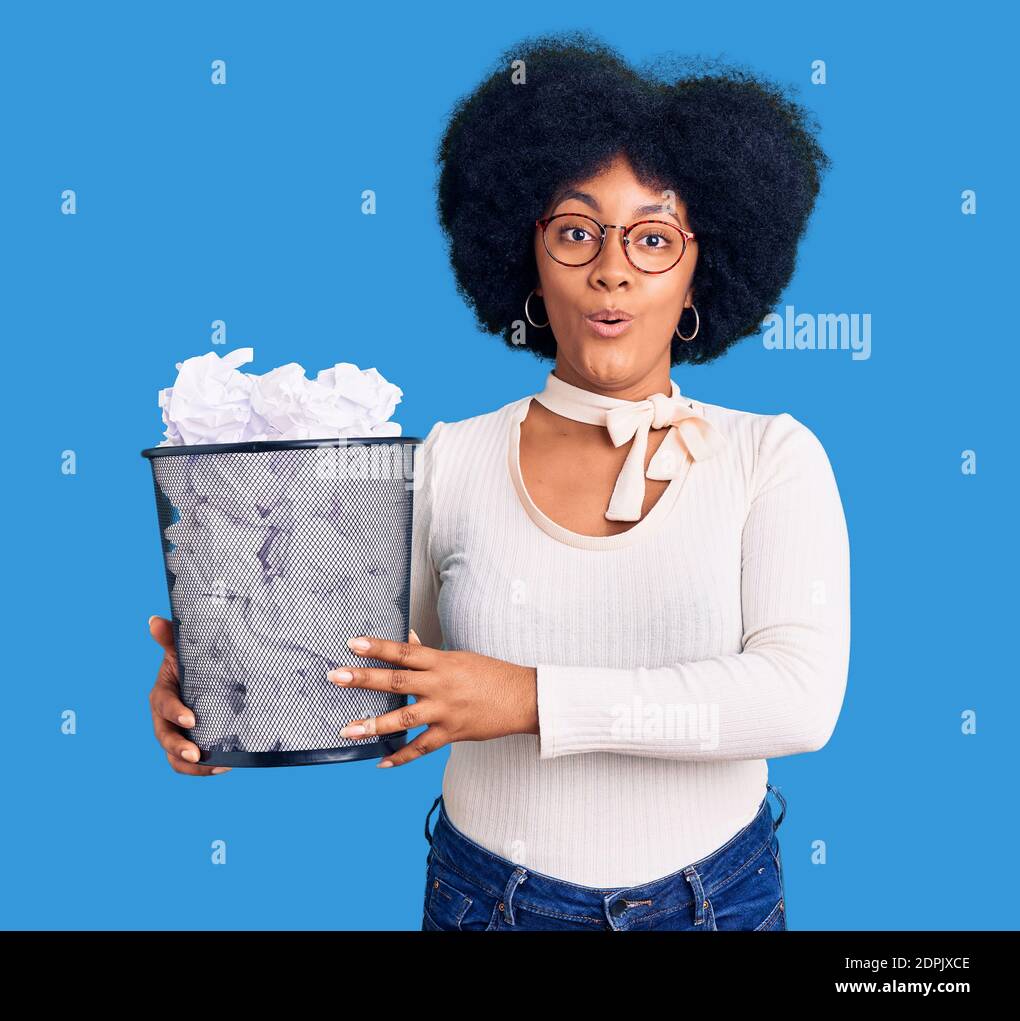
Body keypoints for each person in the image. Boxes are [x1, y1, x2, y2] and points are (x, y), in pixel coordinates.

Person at [150, 30, 849, 931]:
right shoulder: (448, 457)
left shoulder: (774, 457)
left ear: (699, 271)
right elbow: (374, 676)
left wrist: (526, 698)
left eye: (653, 237)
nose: (611, 268)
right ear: (526, 258)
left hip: (715, 903)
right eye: (575, 231)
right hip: (487, 904)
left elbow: (797, 698)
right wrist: (232, 685)